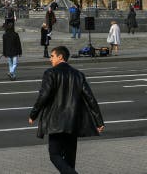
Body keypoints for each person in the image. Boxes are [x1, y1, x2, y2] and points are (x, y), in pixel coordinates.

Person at [28, 46, 105, 174]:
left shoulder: (50, 73)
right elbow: (91, 99)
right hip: (73, 121)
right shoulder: (78, 75)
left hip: (56, 121)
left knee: (54, 154)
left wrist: (33, 114)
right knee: (69, 160)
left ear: (60, 57)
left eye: (52, 56)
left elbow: (44, 95)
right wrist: (99, 122)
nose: (50, 59)